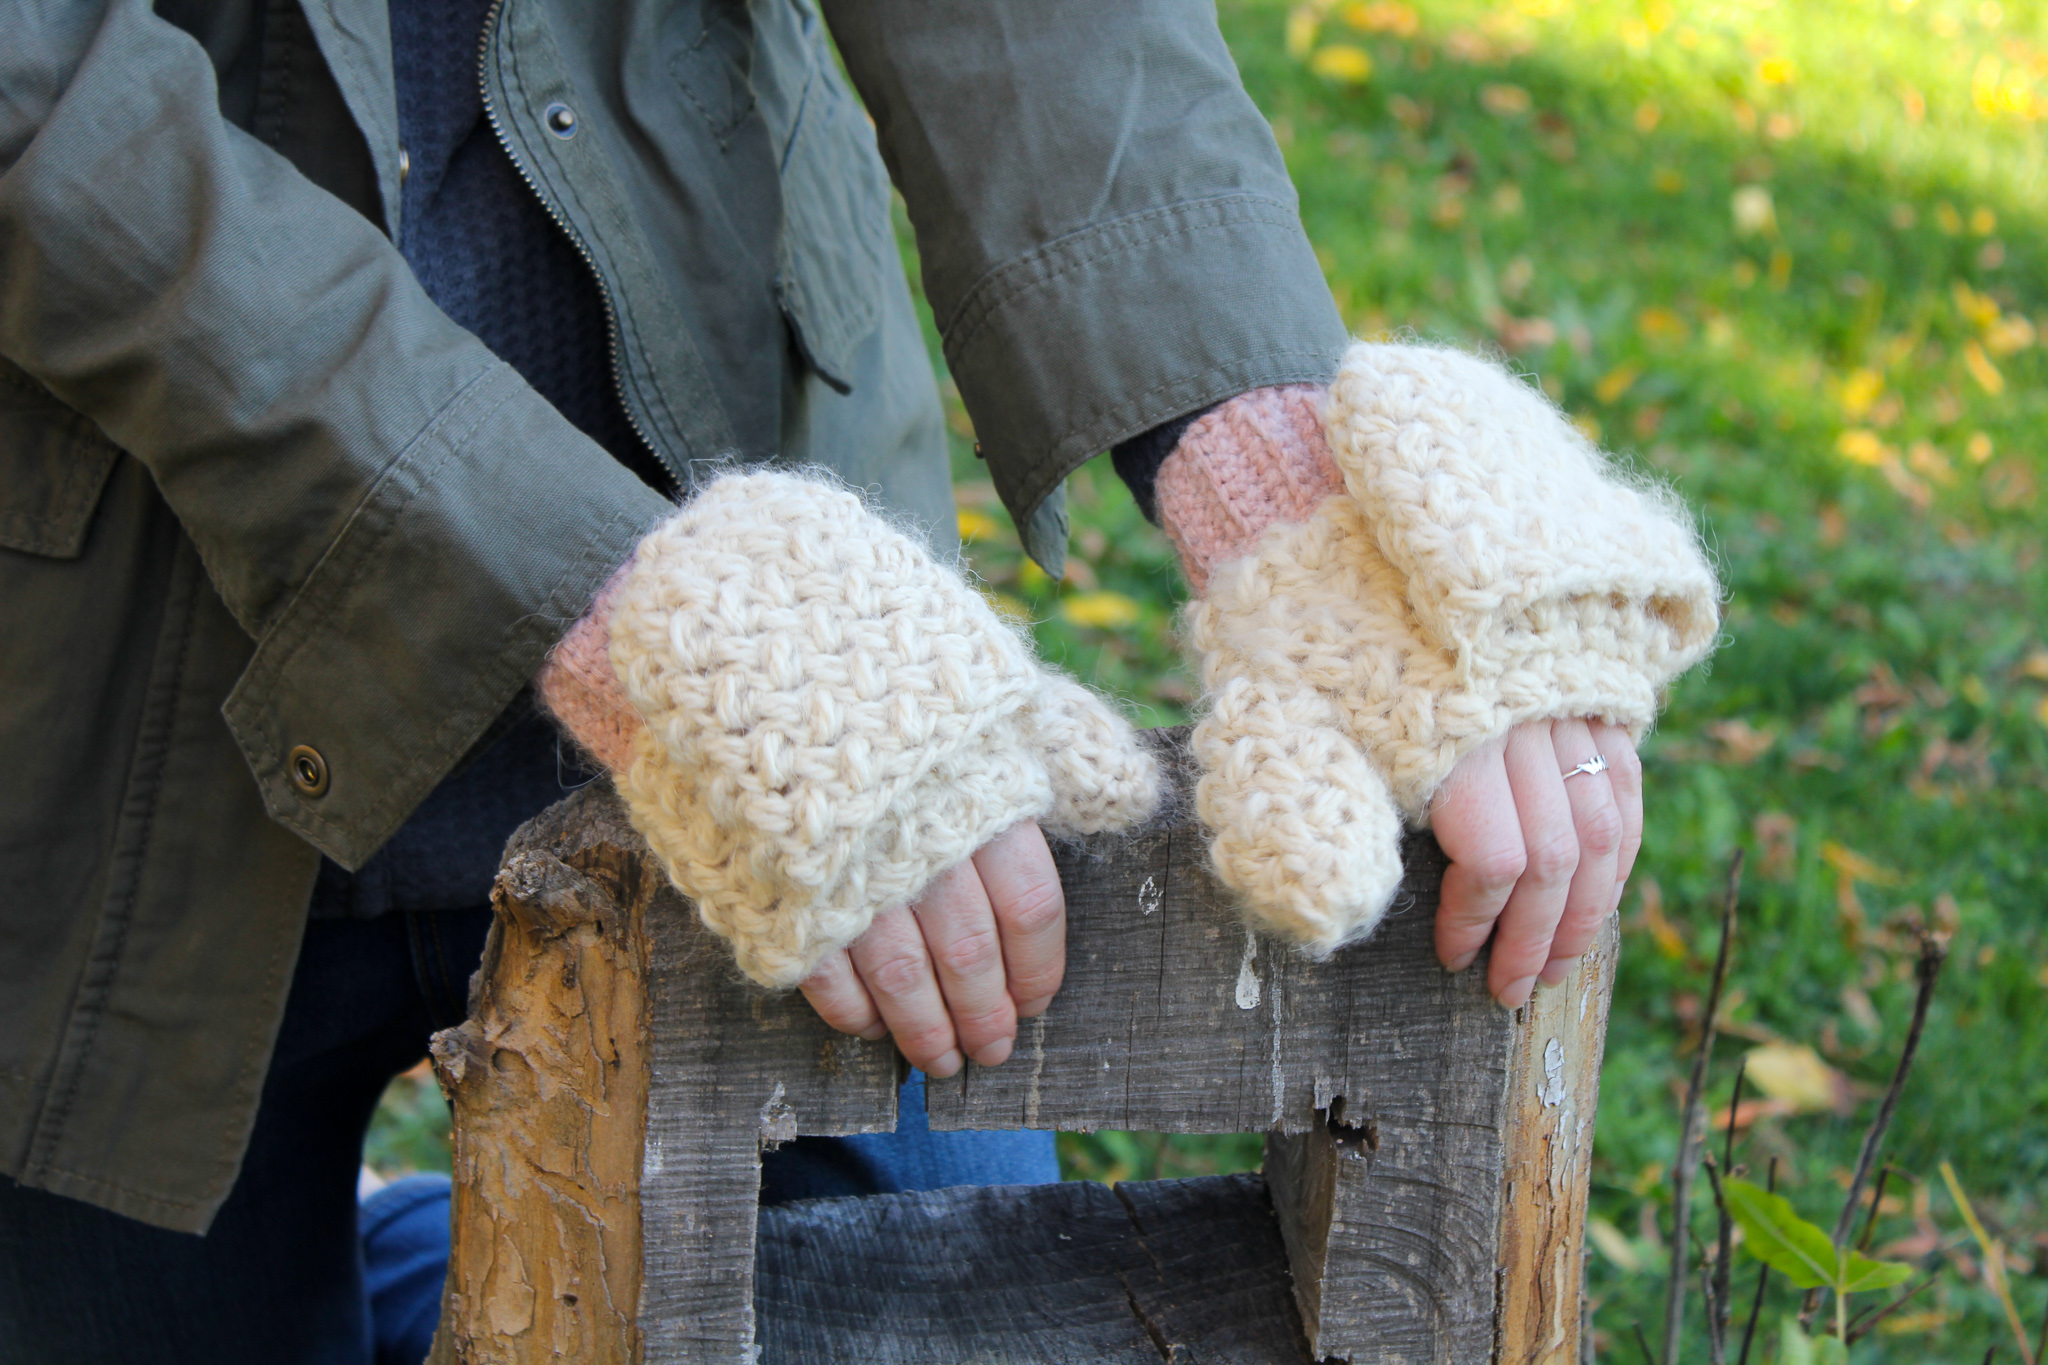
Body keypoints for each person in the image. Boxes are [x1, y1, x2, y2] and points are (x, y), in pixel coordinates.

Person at [0, 2, 1716, 1361]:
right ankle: (441, 1259)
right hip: (106, 650)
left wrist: (1264, 468)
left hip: (809, 605)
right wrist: (589, 587)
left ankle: (433, 1252)